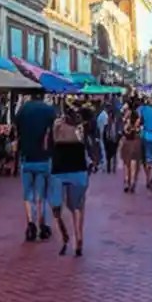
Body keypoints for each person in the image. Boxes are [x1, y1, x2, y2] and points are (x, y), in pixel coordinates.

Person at [50, 107, 91, 257]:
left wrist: (56, 127)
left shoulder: (58, 128)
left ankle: (64, 235)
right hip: (79, 170)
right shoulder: (80, 130)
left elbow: (53, 142)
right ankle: (78, 236)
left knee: (56, 207)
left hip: (59, 170)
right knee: (77, 207)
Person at [15, 92, 55, 242]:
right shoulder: (49, 110)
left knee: (27, 194)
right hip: (44, 157)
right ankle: (42, 224)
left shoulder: (23, 110)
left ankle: (30, 224)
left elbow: (16, 128)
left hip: (26, 157)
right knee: (41, 195)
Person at [118, 103, 143, 193]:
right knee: (133, 164)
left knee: (126, 164)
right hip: (136, 144)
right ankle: (132, 182)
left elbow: (123, 131)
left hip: (127, 143)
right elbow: (139, 130)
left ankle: (126, 181)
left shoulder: (126, 118)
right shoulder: (138, 117)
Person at [100, 102, 119, 174]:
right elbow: (105, 134)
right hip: (109, 141)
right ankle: (109, 168)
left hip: (113, 140)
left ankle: (113, 168)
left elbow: (117, 132)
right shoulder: (107, 125)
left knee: (113, 154)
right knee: (109, 155)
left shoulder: (114, 124)